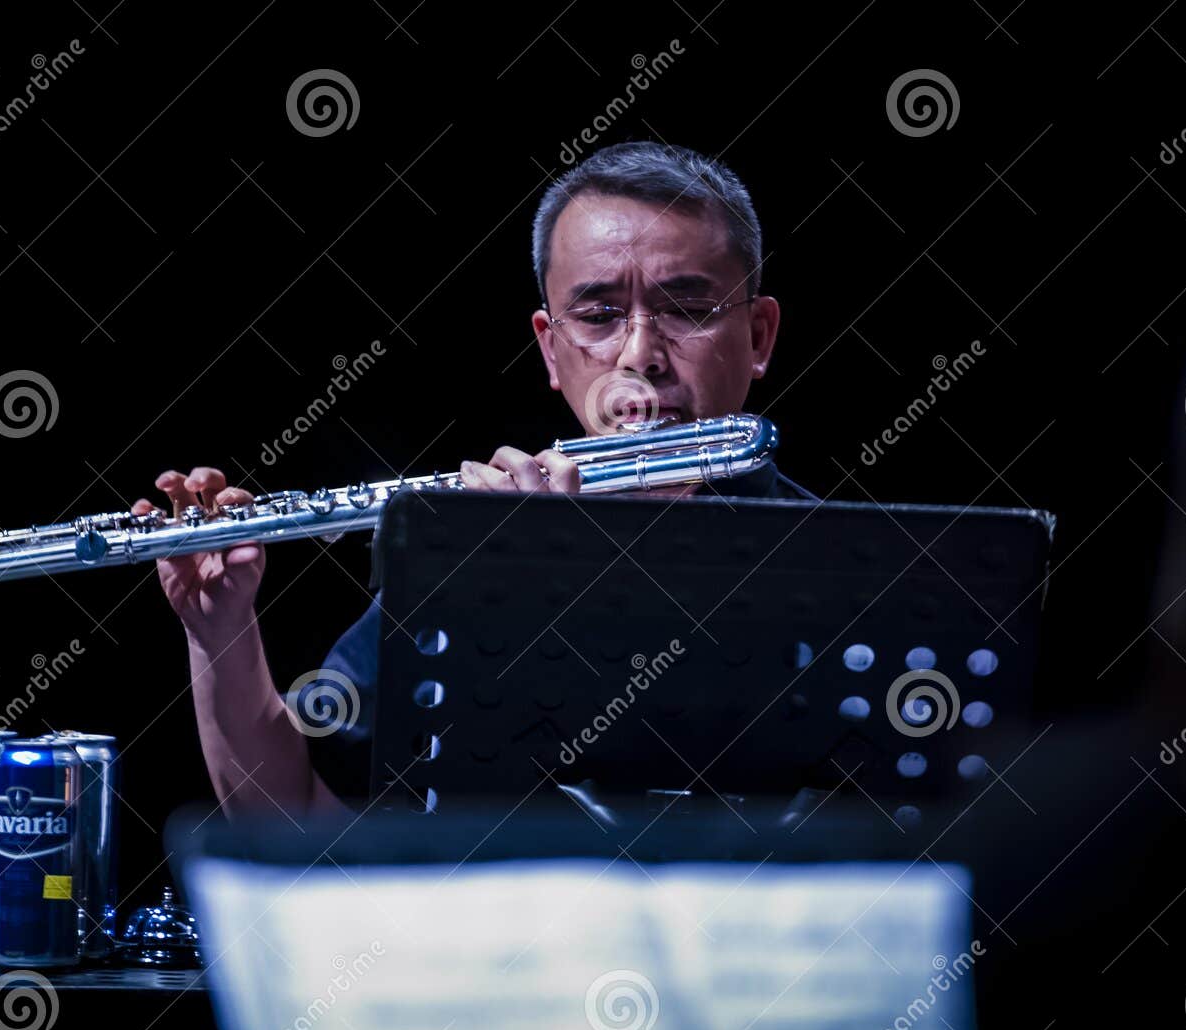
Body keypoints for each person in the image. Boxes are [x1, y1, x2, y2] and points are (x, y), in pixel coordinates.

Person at [133, 141, 814, 818]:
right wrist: (217, 632)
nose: (640, 355)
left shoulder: (860, 572)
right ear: (551, 347)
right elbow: (302, 825)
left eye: (687, 308)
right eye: (600, 315)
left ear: (758, 336)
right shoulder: (471, 553)